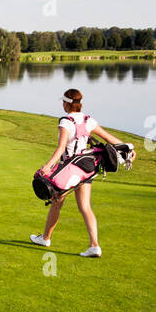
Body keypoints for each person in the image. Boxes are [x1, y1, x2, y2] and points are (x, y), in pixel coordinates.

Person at [29, 88, 127, 258]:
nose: (62, 104)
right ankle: (94, 246)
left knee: (56, 202)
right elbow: (111, 139)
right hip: (86, 169)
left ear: (67, 104)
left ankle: (45, 238)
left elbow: (61, 149)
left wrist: (47, 166)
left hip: (67, 171)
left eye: (63, 102)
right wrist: (128, 149)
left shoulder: (66, 122)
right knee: (85, 207)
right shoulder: (89, 120)